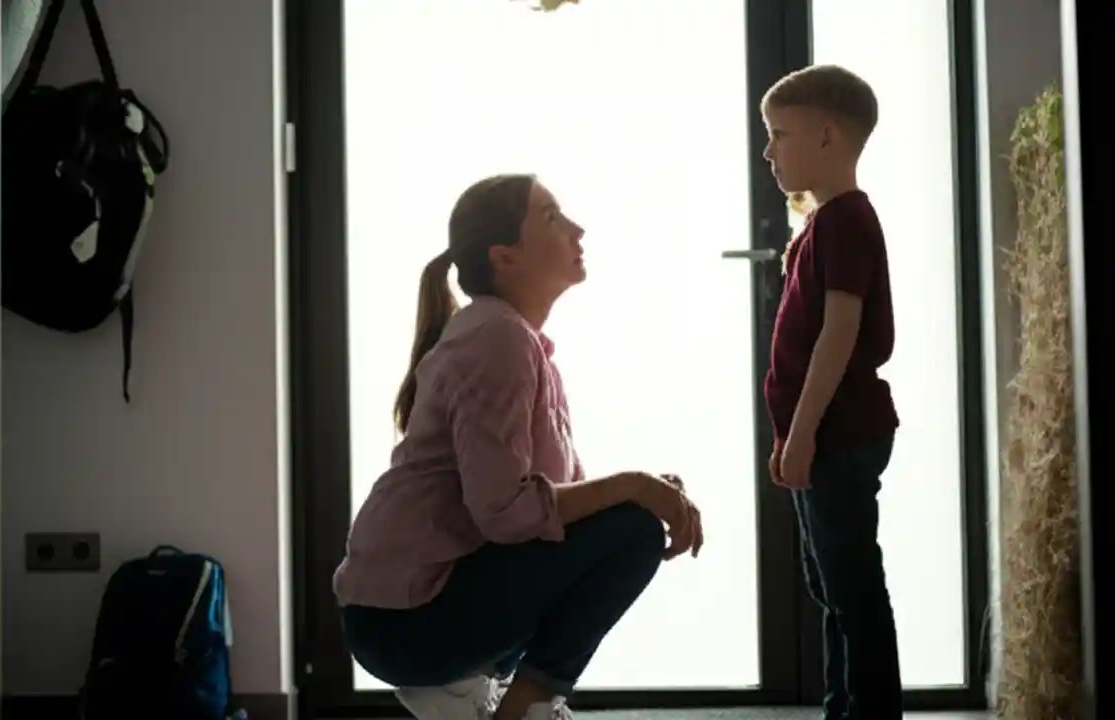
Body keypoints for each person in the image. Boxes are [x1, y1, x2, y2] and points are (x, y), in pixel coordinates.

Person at [332, 173, 704, 720]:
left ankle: (472, 687)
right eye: (552, 218)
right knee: (635, 529)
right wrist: (634, 489)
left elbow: (556, 508)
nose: (577, 229)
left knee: (627, 517)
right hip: (404, 623)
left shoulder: (516, 340)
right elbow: (506, 514)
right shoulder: (497, 339)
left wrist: (643, 489)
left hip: (407, 616)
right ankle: (518, 707)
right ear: (504, 257)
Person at [760, 64, 902, 720]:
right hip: (823, 435)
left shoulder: (847, 222)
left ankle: (866, 712)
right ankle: (843, 707)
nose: (768, 151)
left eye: (779, 134)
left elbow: (839, 334)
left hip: (840, 433)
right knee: (833, 586)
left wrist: (806, 431)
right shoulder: (823, 225)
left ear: (827, 137)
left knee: (851, 589)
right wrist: (791, 435)